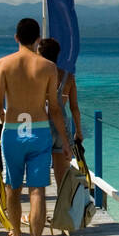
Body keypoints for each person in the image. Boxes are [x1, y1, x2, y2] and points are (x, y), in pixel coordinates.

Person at [0, 17, 68, 236]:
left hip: (12, 130)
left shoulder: (3, 64)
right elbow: (54, 108)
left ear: (16, 38)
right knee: (37, 191)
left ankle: (16, 235)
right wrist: (65, 140)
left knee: (12, 186)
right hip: (40, 130)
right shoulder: (48, 67)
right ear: (38, 39)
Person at [35, 37, 84, 187]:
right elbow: (74, 107)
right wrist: (79, 132)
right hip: (62, 126)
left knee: (38, 174)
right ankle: (62, 209)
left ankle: (37, 210)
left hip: (42, 125)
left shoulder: (37, 74)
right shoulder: (68, 77)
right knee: (62, 177)